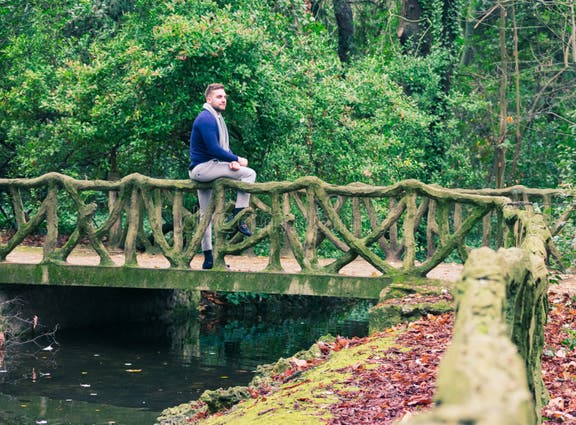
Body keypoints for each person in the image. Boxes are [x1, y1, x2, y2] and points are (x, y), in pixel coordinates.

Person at [188, 83, 257, 269]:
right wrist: (237, 159)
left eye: (224, 96)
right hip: (203, 169)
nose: (223, 99)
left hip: (208, 167)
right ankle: (239, 216)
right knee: (249, 174)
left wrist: (231, 161)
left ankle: (208, 258)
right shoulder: (206, 119)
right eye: (219, 96)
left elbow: (223, 148)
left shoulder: (216, 118)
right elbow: (213, 149)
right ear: (208, 99)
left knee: (205, 216)